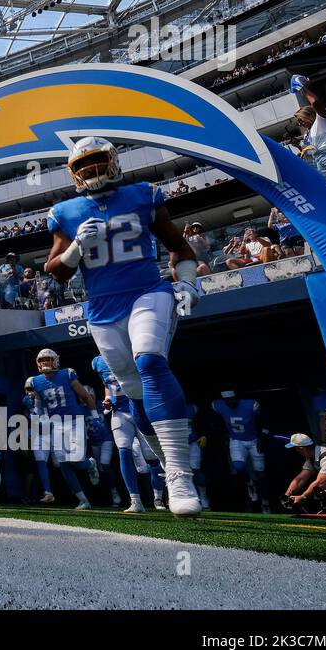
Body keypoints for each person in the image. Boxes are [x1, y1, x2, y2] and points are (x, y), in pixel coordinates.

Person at [44, 136, 202, 515]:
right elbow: (56, 272)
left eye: (98, 161)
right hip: (101, 310)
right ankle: (166, 462)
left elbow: (179, 245)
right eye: (83, 166)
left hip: (148, 292)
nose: (91, 171)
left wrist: (188, 281)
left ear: (114, 161)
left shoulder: (143, 194)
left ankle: (180, 475)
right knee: (133, 392)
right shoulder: (65, 211)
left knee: (149, 361)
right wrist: (75, 248)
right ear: (72, 174)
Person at [26, 349, 99, 509]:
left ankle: (91, 464)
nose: (45, 363)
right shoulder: (36, 382)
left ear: (56, 360)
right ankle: (83, 500)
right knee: (64, 464)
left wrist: (95, 417)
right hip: (57, 425)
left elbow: (86, 396)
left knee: (77, 459)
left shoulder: (67, 374)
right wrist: (35, 420)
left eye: (48, 359)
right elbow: (38, 406)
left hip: (75, 421)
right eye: (42, 360)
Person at [93, 354, 165, 513]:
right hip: (119, 412)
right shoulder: (98, 362)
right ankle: (135, 501)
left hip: (141, 410)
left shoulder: (130, 352)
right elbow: (108, 384)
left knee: (151, 457)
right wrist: (107, 397)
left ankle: (158, 497)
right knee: (124, 452)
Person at [213, 390, 269, 512]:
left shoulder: (251, 405)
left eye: (232, 399)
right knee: (239, 467)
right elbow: (217, 420)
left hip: (254, 440)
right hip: (236, 440)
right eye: (227, 401)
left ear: (237, 398)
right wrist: (223, 434)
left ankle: (265, 501)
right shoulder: (218, 405)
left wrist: (263, 436)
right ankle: (250, 483)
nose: (230, 403)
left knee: (260, 473)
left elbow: (264, 419)